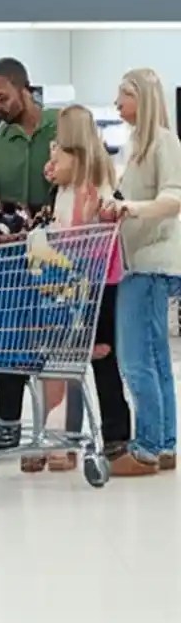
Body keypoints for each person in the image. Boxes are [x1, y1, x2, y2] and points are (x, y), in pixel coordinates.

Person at [0, 58, 62, 469]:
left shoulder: (61, 126)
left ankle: (54, 436)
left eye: (2, 97)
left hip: (59, 253)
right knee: (10, 341)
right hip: (8, 258)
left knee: (61, 343)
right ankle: (10, 424)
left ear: (24, 89)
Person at [36, 105, 130, 472]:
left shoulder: (92, 177)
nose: (54, 146)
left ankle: (111, 438)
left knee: (99, 356)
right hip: (78, 279)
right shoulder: (70, 175)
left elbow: (82, 226)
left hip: (94, 279)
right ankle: (80, 440)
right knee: (78, 359)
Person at [101, 68, 181, 476]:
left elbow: (175, 196)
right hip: (137, 259)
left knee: (136, 359)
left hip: (150, 262)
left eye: (124, 94)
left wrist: (132, 209)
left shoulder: (164, 142)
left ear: (144, 99)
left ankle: (147, 447)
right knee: (156, 357)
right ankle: (164, 445)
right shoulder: (132, 146)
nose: (117, 103)